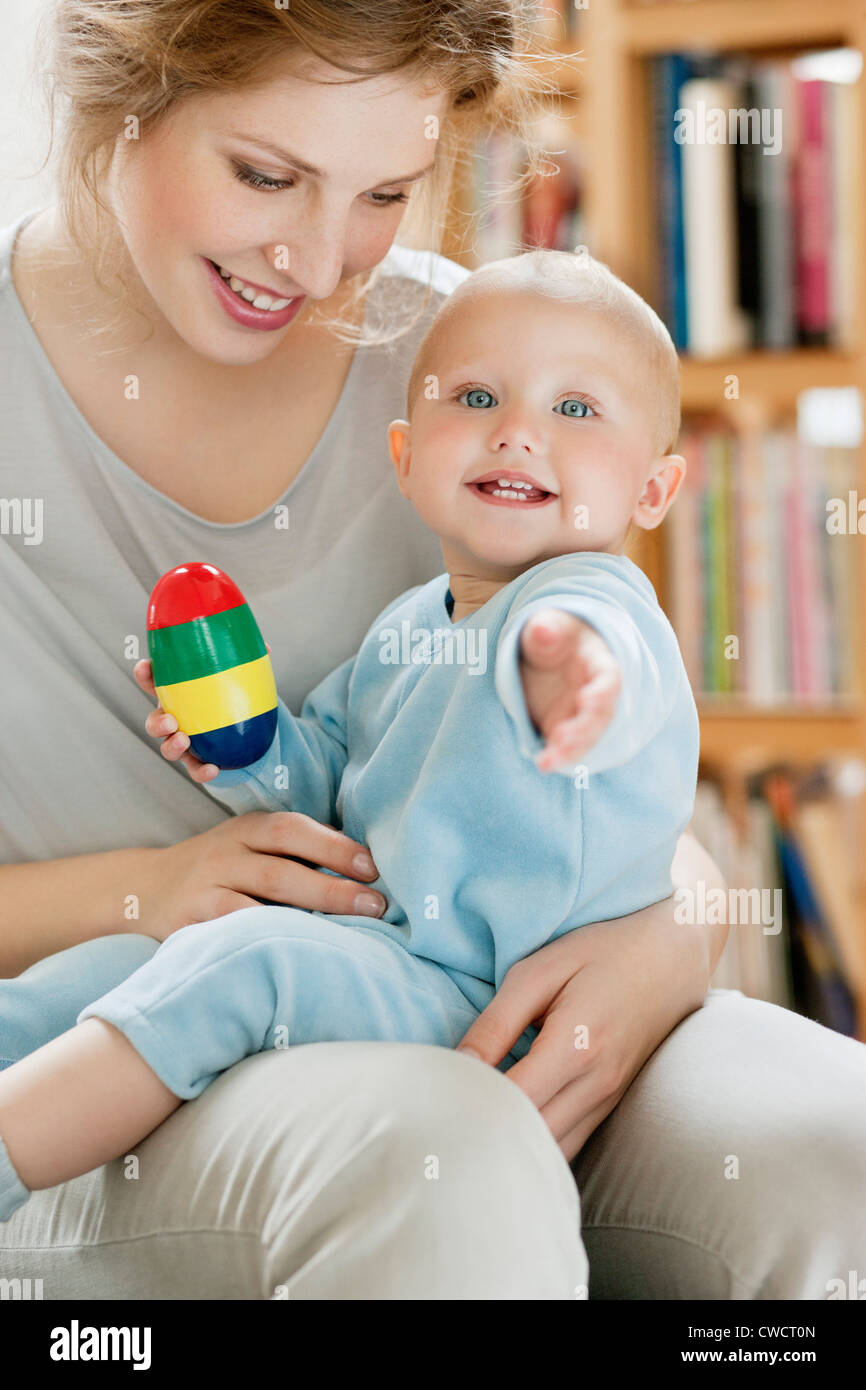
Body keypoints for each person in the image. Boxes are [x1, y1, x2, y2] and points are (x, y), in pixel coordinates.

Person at [0, 0, 863, 1300]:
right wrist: (147, 889)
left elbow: (591, 735)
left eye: (383, 190)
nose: (315, 255)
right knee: (441, 1161)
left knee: (821, 1138)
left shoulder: (475, 357)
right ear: (109, 98)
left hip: (461, 992)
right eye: (264, 174)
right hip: (107, 1075)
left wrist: (670, 933)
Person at [0, 245, 703, 1209]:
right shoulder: (409, 628)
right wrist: (243, 741)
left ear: (653, 493)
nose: (518, 435)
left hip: (490, 995)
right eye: (477, 399)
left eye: (574, 410)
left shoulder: (594, 600)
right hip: (391, 953)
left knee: (237, 961)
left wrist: (567, 675)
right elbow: (326, 778)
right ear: (407, 461)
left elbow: (597, 660)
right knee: (112, 965)